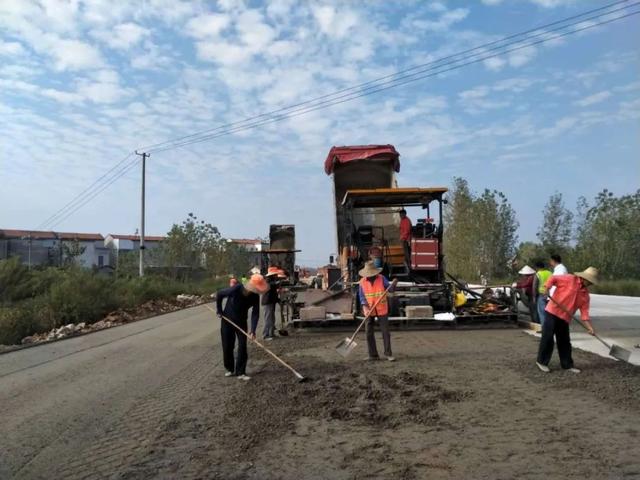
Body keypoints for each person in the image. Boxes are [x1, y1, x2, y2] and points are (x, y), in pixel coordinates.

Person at [536, 267, 599, 374]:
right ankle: (542, 362)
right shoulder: (570, 279)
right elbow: (553, 278)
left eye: (592, 282)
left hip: (565, 318)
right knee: (548, 337)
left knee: (564, 341)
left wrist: (590, 328)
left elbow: (585, 314)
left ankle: (567, 365)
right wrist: (547, 288)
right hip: (552, 312)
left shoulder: (585, 296)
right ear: (584, 278)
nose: (590, 284)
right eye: (589, 281)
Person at [216, 274, 269, 381]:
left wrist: (253, 330)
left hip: (241, 322)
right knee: (227, 345)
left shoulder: (254, 296)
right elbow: (220, 294)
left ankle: (241, 372)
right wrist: (219, 310)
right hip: (227, 320)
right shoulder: (236, 289)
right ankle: (230, 369)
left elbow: (255, 313)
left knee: (242, 346)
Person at [358, 261, 397, 362]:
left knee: (385, 332)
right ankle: (373, 355)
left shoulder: (382, 278)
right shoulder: (362, 282)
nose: (371, 276)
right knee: (368, 332)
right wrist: (365, 308)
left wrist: (394, 284)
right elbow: (362, 297)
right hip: (369, 309)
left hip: (381, 308)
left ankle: (388, 354)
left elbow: (390, 290)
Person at [262, 266, 282, 341]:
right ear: (272, 274)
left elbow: (274, 293)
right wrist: (277, 284)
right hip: (267, 302)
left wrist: (278, 300)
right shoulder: (267, 281)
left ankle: (271, 333)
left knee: (272, 318)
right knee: (268, 319)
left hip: (271, 301)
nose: (277, 276)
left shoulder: (272, 280)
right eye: (275, 274)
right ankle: (265, 335)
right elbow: (271, 286)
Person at [532, 261, 552, 327]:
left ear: (537, 267)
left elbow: (534, 286)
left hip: (542, 295)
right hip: (550, 295)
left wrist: (534, 297)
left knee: (542, 312)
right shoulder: (550, 273)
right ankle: (551, 327)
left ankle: (544, 328)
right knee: (550, 312)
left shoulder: (538, 274)